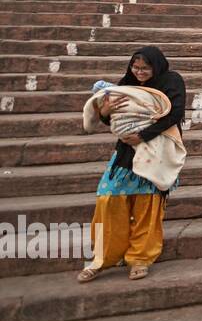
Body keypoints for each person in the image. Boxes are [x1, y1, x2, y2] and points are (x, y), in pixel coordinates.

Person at [78, 46, 185, 282]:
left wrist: (143, 135)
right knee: (108, 198)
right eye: (135, 67)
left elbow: (174, 112)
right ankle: (102, 257)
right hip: (126, 151)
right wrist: (105, 111)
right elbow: (113, 115)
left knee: (147, 206)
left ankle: (139, 259)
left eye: (145, 68)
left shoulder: (171, 80)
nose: (139, 72)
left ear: (156, 66)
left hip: (156, 148)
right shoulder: (126, 82)